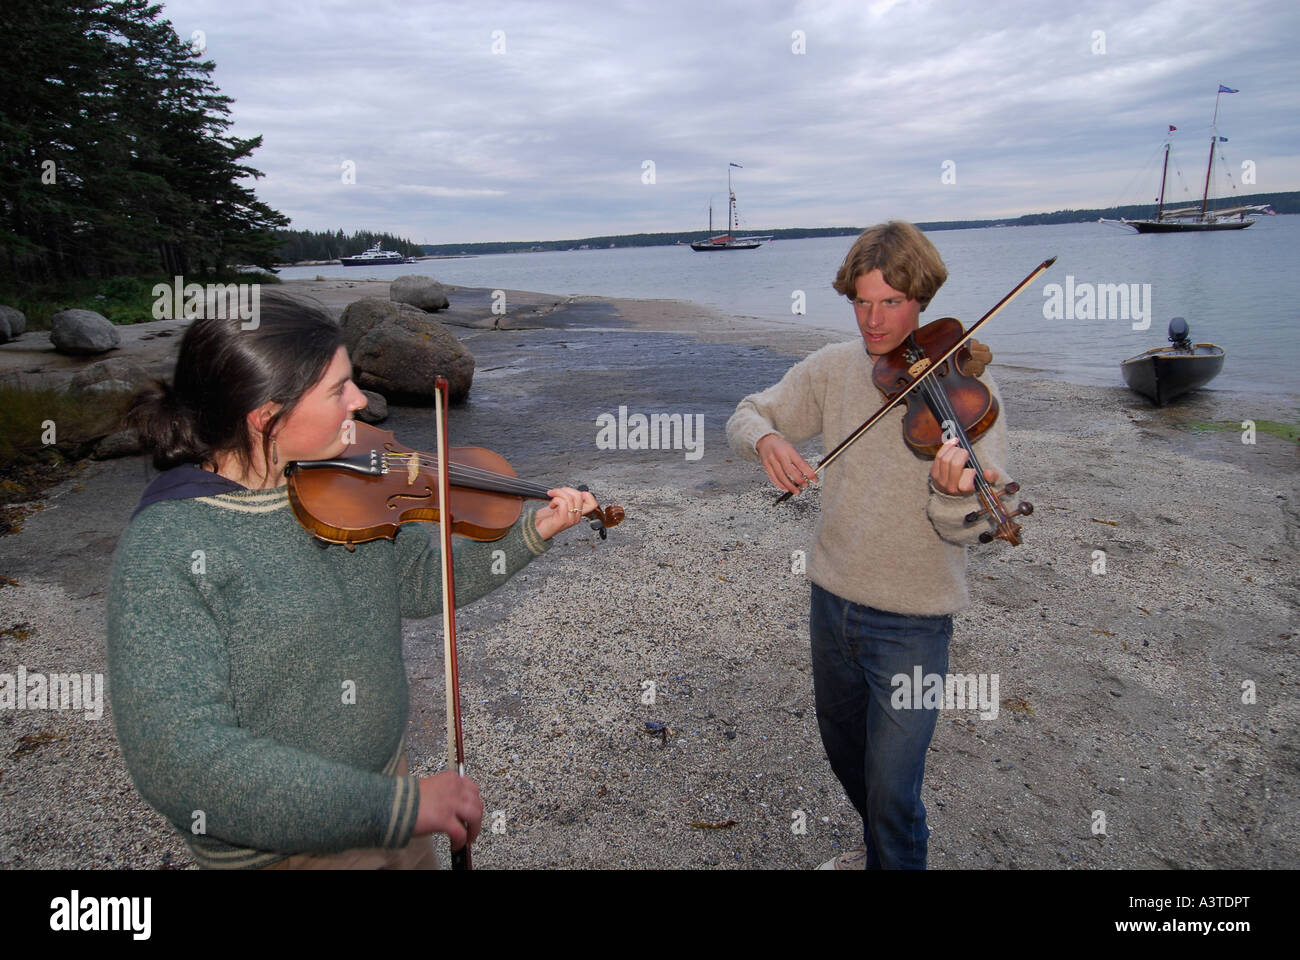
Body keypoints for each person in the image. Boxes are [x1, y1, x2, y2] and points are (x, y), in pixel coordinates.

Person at [106, 291, 599, 869]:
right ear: (267, 416)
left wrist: (530, 534)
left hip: (391, 792)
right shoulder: (167, 550)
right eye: (338, 389)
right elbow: (185, 764)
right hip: (288, 846)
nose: (361, 400)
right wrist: (393, 808)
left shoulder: (344, 487)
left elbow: (420, 582)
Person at [725, 221, 1016, 869]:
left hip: (913, 622)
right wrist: (767, 440)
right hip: (832, 606)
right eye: (862, 302)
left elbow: (980, 526)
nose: (875, 321)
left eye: (892, 302)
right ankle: (878, 849)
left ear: (922, 300)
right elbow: (748, 410)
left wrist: (951, 495)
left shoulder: (969, 392)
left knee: (894, 792)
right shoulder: (833, 369)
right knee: (847, 758)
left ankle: (892, 849)